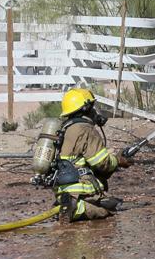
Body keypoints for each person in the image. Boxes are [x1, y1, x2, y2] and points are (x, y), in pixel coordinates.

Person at [53, 88, 129, 222]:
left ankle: (66, 205)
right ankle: (75, 209)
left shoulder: (67, 128)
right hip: (79, 191)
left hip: (63, 190)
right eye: (92, 107)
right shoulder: (85, 129)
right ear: (85, 108)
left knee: (108, 202)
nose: (95, 111)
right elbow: (102, 163)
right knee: (107, 209)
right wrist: (118, 160)